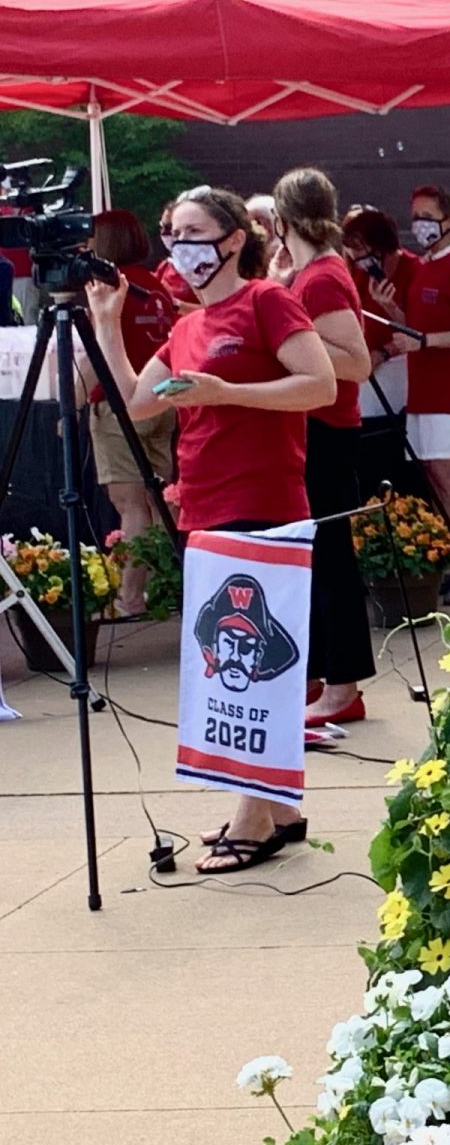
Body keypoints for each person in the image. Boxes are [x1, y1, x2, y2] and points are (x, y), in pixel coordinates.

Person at [85, 184, 335, 874]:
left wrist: (228, 393)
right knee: (227, 667)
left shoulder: (266, 302)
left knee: (247, 669)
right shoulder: (186, 324)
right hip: (205, 507)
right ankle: (280, 810)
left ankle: (250, 815)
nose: (180, 245)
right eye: (171, 232)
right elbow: (136, 405)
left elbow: (321, 386)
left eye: (193, 230)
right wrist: (109, 323)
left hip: (262, 503)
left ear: (232, 238)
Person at [272, 167, 375, 727]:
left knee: (331, 559)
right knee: (310, 559)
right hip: (309, 426)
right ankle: (317, 675)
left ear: (281, 221)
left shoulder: (324, 277)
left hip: (328, 429)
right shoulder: (306, 273)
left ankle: (344, 686)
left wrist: (298, 348)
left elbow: (355, 362)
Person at [375, 184, 450, 606]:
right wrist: (391, 313)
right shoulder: (422, 267)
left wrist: (426, 341)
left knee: (448, 479)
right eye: (415, 217)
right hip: (421, 392)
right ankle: (448, 561)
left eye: (428, 216)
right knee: (432, 482)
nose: (420, 226)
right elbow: (416, 331)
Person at [78, 210, 178, 618]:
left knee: (131, 504)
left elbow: (94, 354)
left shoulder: (108, 288)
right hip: (161, 399)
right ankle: (164, 585)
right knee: (160, 501)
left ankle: (130, 596)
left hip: (117, 403)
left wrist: (73, 403)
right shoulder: (157, 286)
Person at [341, 204, 419, 493]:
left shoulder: (413, 269)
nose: (360, 261)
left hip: (397, 365)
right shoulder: (359, 274)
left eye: (363, 253)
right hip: (367, 362)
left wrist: (389, 309)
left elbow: (417, 333)